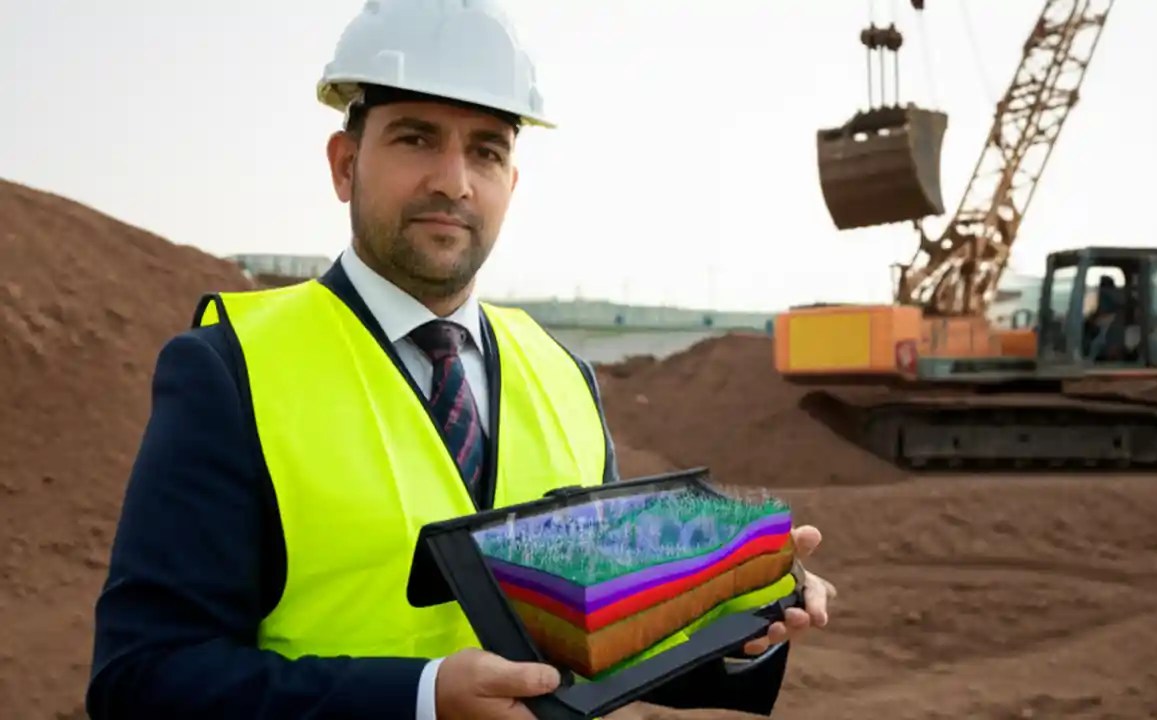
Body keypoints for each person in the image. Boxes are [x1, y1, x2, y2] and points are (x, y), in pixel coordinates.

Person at [85, 1, 836, 718]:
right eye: (416, 138)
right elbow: (144, 678)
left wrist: (738, 611)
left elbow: (595, 642)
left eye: (486, 150)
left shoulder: (562, 377)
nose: (454, 180)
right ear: (345, 164)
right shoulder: (229, 370)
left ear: (512, 183)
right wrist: (419, 702)